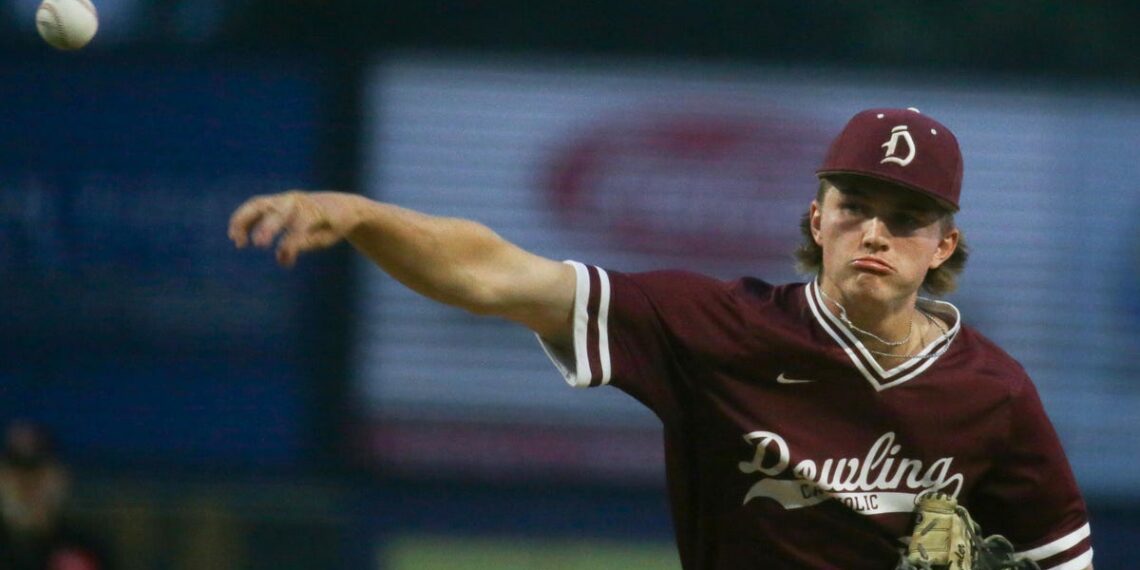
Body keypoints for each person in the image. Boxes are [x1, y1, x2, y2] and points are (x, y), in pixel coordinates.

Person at [228, 107, 1093, 570]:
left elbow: (1060, 558)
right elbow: (499, 275)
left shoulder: (996, 394)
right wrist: (364, 215)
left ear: (944, 246)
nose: (875, 231)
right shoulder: (716, 328)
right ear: (816, 214)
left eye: (905, 219)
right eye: (855, 205)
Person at [0, 421, 114, 570]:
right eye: (16, 474)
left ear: (60, 478)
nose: (28, 486)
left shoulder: (86, 550)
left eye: (38, 473)